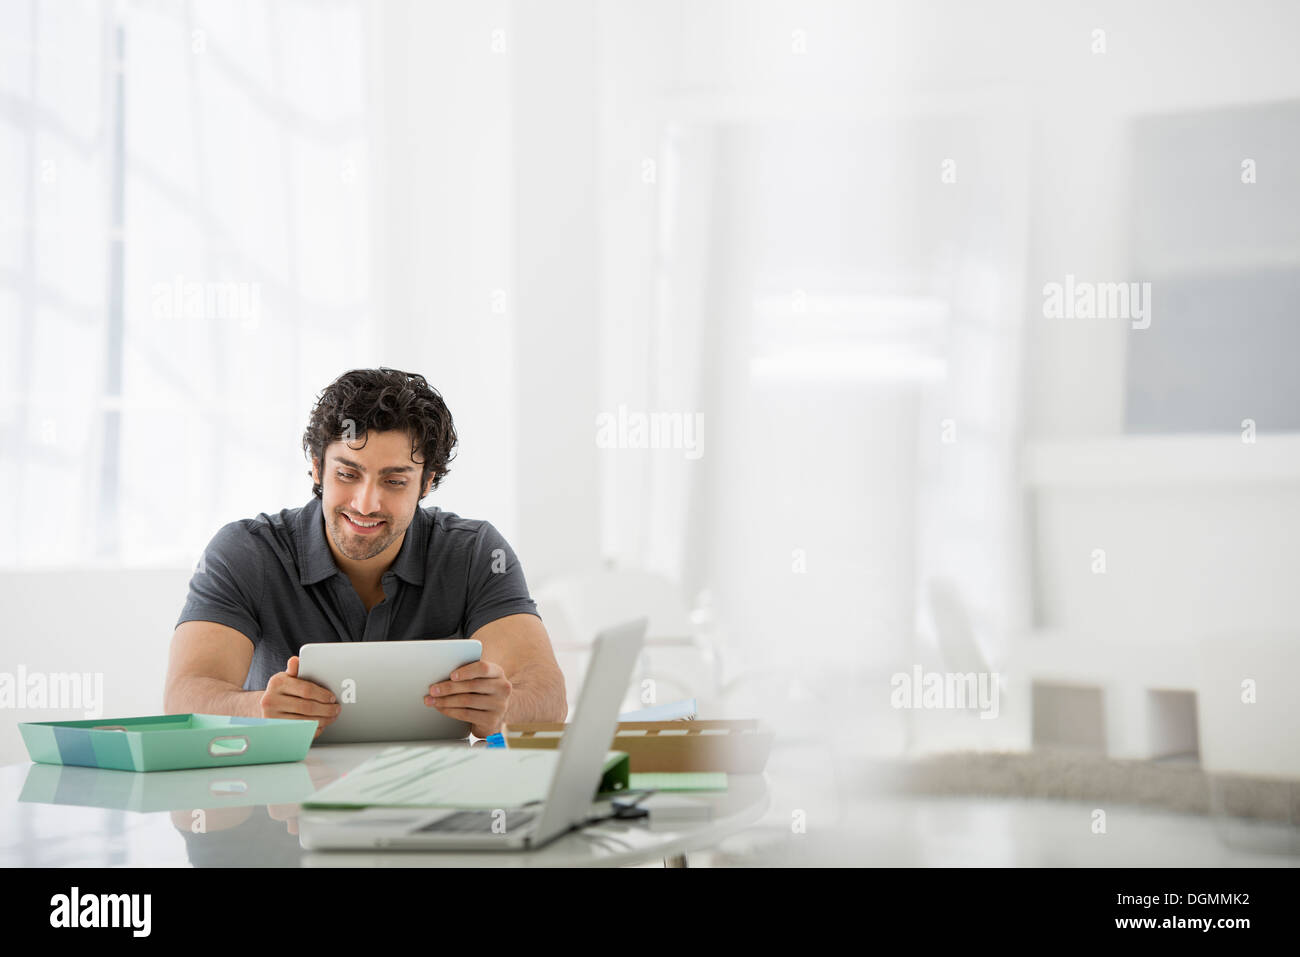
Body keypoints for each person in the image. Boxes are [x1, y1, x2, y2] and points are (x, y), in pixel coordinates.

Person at [163, 367, 566, 739]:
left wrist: (503, 708)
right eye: (347, 474)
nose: (366, 503)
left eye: (394, 481)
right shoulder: (246, 552)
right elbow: (184, 700)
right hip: (283, 799)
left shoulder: (476, 552)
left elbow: (549, 698)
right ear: (318, 469)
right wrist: (257, 712)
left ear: (427, 483)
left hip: (428, 799)